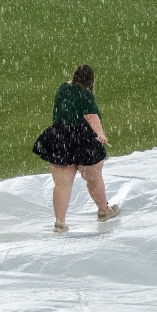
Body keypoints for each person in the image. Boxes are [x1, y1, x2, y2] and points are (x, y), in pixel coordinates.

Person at [31, 64, 120, 233]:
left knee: (62, 185)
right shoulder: (86, 95)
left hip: (60, 137)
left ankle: (60, 222)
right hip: (83, 140)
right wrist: (100, 134)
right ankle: (103, 211)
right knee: (94, 179)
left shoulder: (63, 88)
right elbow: (91, 117)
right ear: (91, 81)